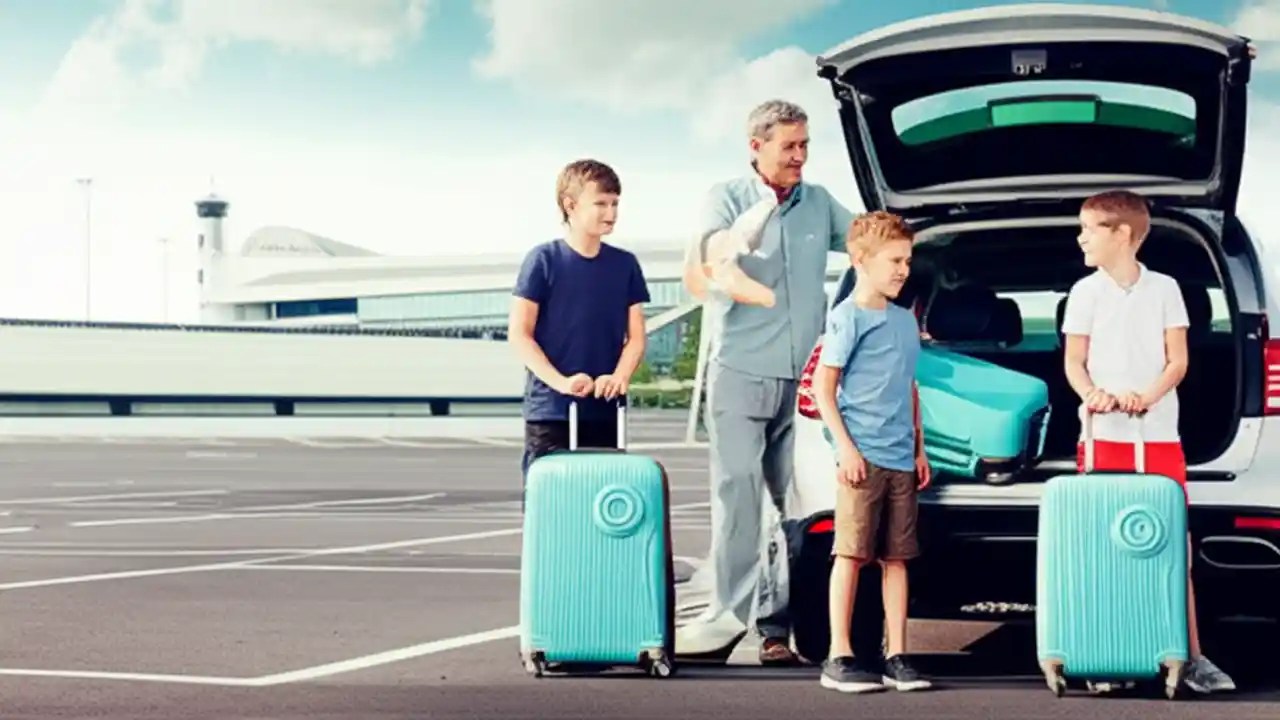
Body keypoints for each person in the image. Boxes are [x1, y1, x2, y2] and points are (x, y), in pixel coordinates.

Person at [675, 99, 887, 667]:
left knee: (800, 506)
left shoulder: (817, 203)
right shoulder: (725, 199)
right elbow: (711, 256)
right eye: (789, 146)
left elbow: (867, 239)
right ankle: (725, 618)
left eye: (805, 146)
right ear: (757, 146)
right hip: (741, 374)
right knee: (740, 497)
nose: (800, 156)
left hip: (806, 383)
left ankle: (776, 628)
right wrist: (738, 250)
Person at [1060, 189, 1235, 695]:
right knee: (1104, 546)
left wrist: (1148, 396)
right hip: (1101, 437)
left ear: (1122, 234)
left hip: (1157, 436)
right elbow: (1075, 361)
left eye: (1089, 229)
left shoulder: (1165, 289)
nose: (1081, 238)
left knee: (1169, 544)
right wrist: (1092, 393)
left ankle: (1192, 656)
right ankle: (1107, 656)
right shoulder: (1084, 292)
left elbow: (1177, 360)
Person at [811, 211, 933, 693]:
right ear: (861, 260)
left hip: (902, 458)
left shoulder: (905, 322)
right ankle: (839, 654)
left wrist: (919, 448)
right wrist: (846, 450)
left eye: (908, 260)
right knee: (851, 553)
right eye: (896, 260)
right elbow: (825, 389)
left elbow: (910, 387)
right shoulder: (846, 318)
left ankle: (897, 654)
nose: (904, 269)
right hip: (862, 458)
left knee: (897, 558)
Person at [508, 159, 650, 484]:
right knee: (552, 503)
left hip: (606, 407)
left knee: (603, 505)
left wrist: (619, 377)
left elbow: (637, 338)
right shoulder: (543, 261)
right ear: (570, 205)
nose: (611, 212)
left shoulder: (625, 265)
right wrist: (563, 382)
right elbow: (520, 334)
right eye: (600, 203)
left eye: (615, 203)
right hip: (552, 410)